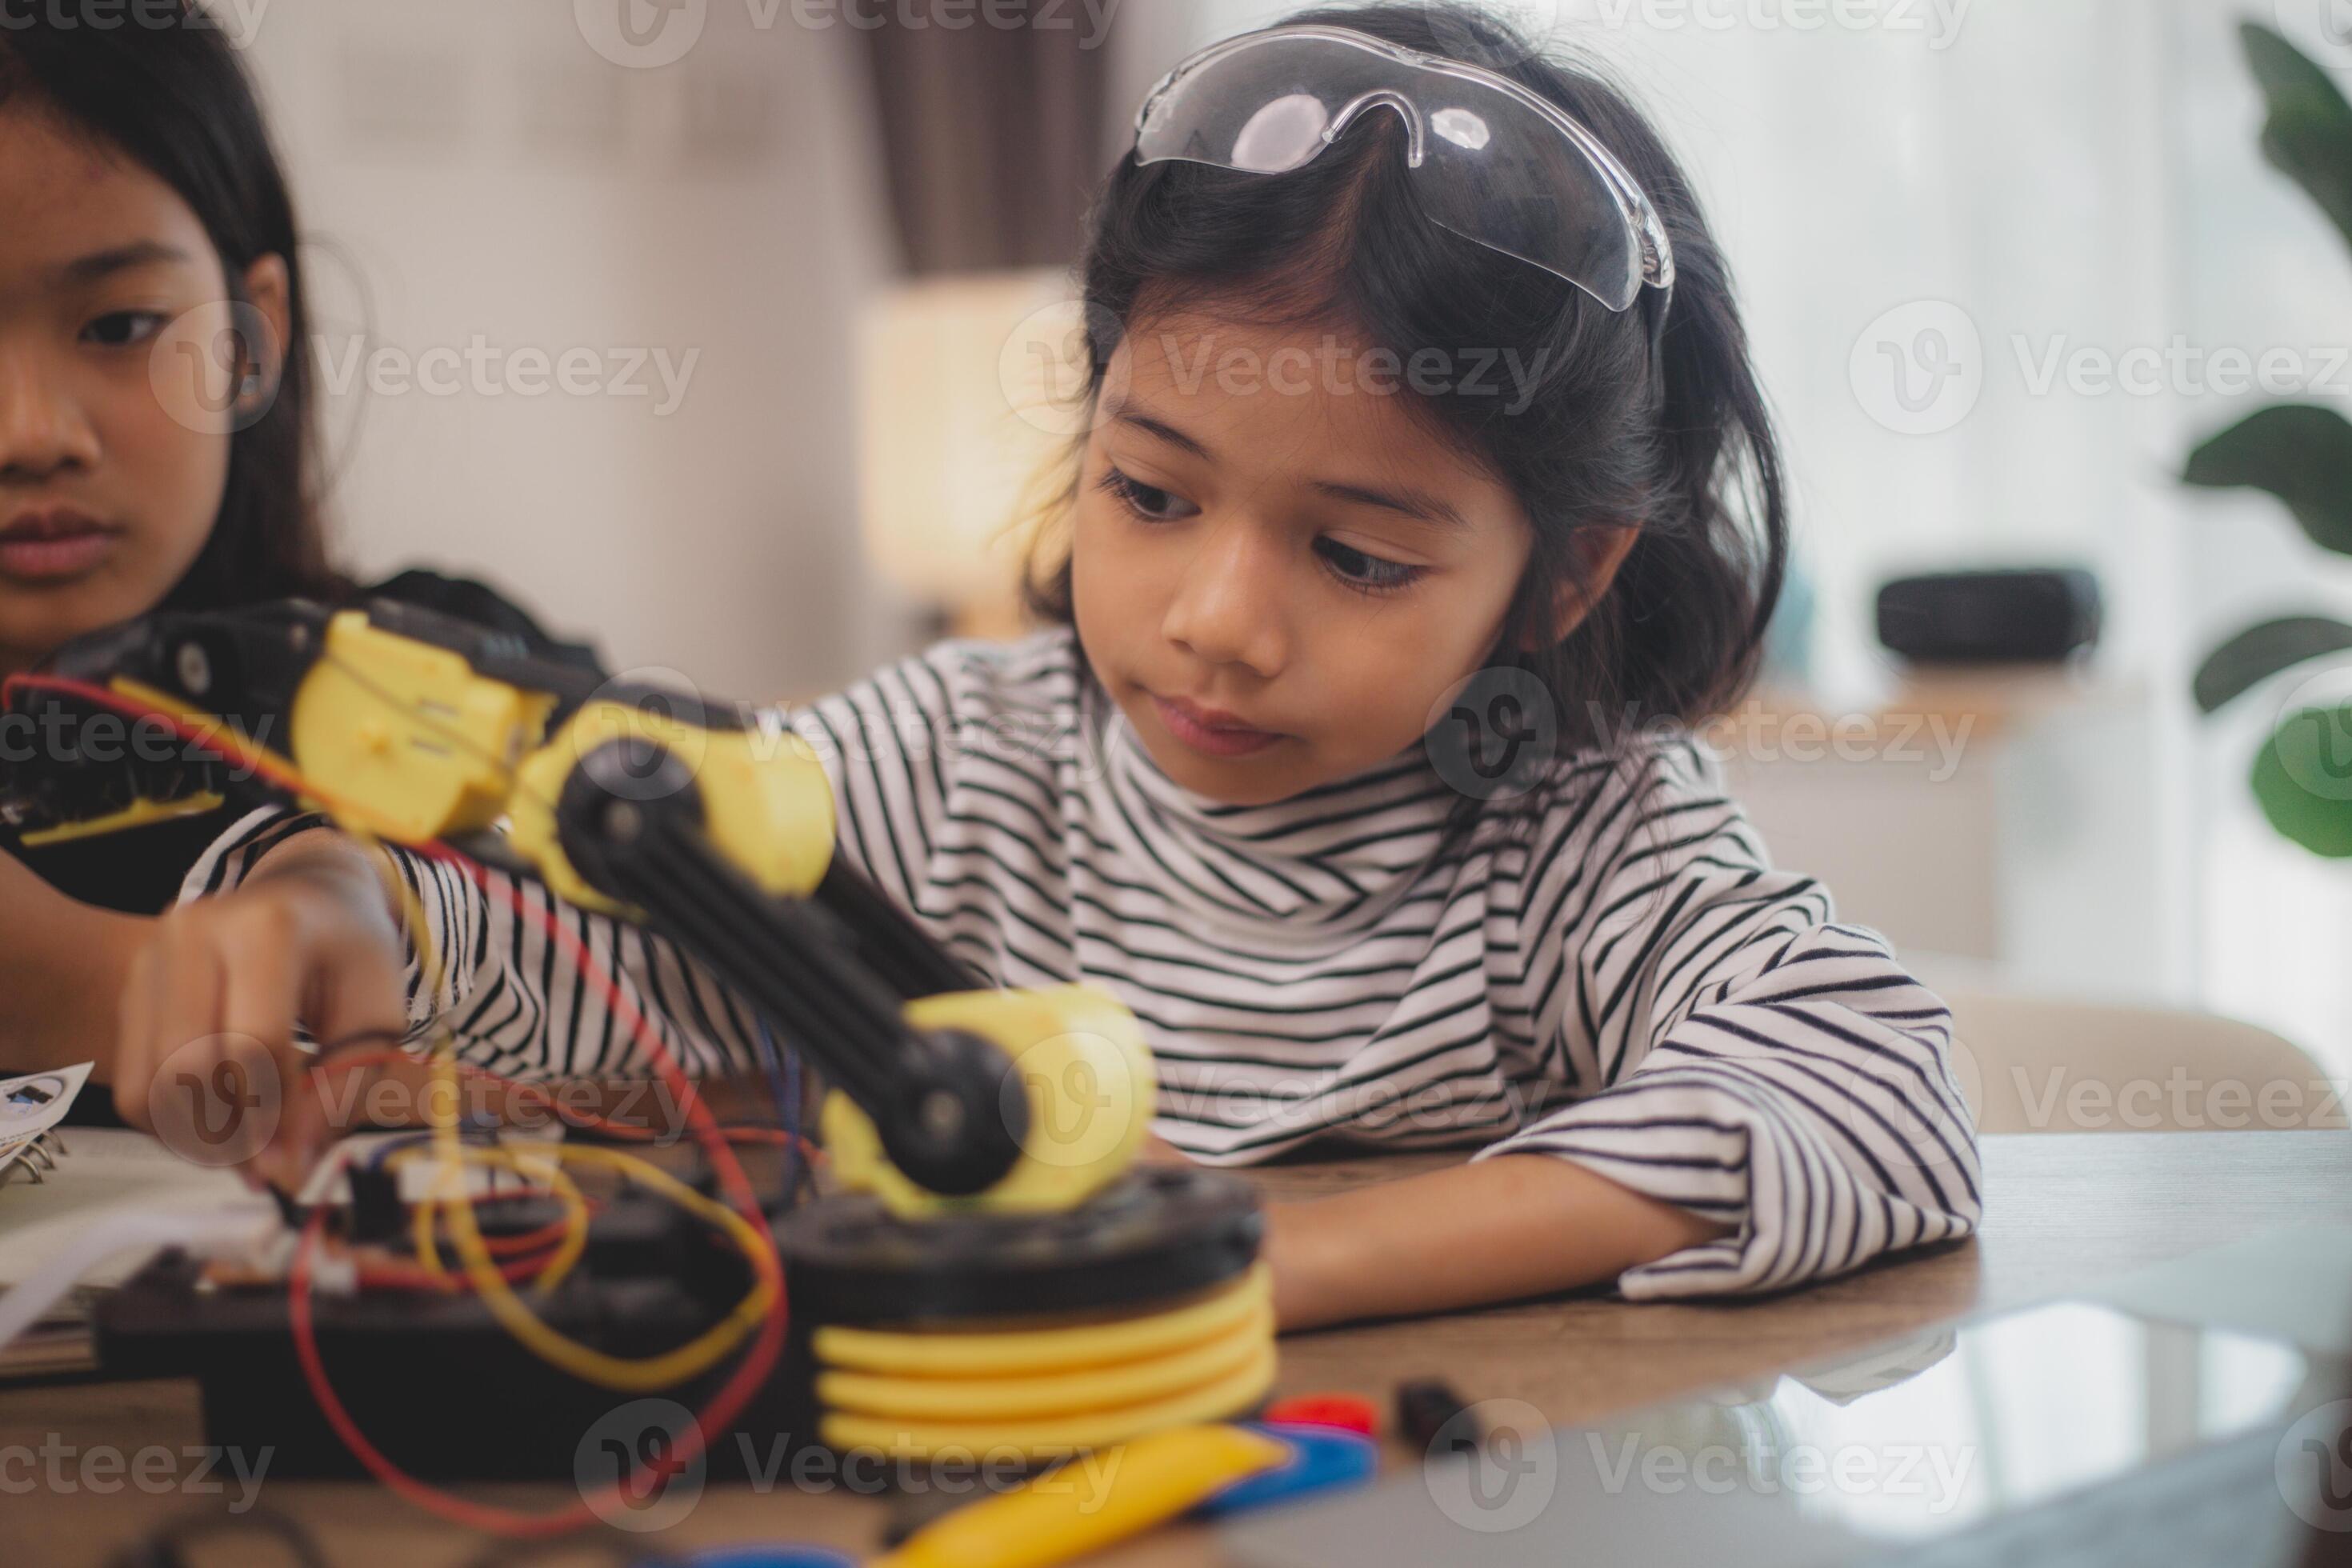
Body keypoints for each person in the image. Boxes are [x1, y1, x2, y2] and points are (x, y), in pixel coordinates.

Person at [113, 2, 1981, 1329]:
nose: (1217, 617)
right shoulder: (953, 764)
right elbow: (622, 956)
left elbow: (1876, 1079)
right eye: (1152, 493)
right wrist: (356, 910)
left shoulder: (1584, 840)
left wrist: (1273, 1258)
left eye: (1355, 552)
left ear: (1566, 575)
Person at [0, 10, 587, 1090]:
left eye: (121, 326)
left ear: (247, 340)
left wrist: (94, 983)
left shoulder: (444, 664)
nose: (31, 434)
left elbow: (678, 994)